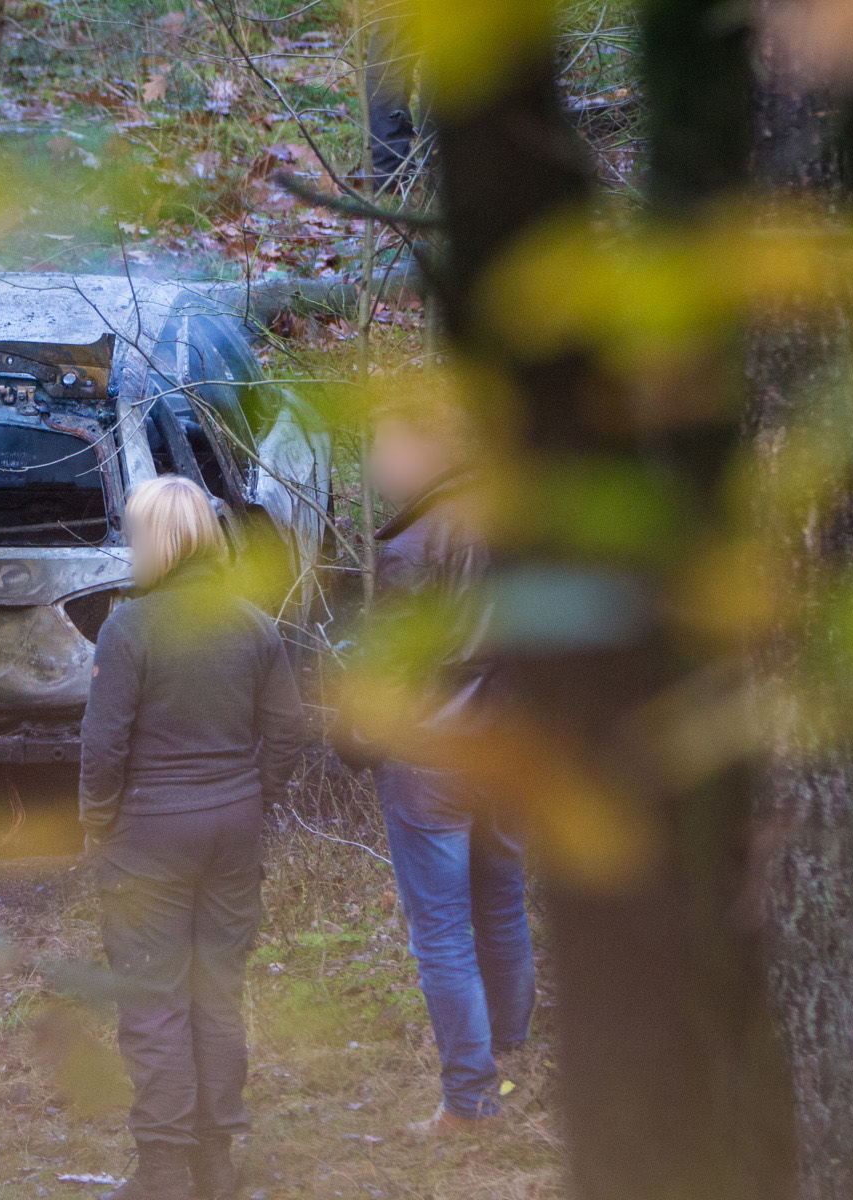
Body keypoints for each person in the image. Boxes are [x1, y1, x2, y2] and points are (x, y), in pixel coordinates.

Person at [78, 475, 307, 1200]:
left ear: (154, 540)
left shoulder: (129, 628)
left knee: (153, 998)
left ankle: (163, 1170)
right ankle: (216, 1160)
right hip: (232, 828)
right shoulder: (253, 624)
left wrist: (98, 822)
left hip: (150, 835)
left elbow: (103, 748)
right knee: (216, 992)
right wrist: (253, 794)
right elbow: (288, 729)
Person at [358, 403, 535, 1133]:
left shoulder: (411, 546)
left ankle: (470, 1099)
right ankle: (512, 1052)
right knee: (502, 901)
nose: (375, 465)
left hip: (430, 757)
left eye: (383, 448)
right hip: (504, 745)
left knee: (442, 932)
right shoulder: (508, 524)